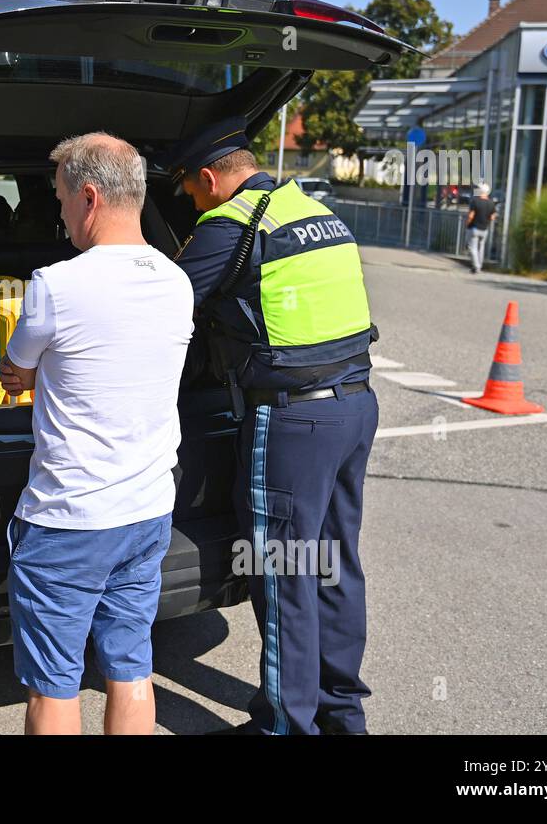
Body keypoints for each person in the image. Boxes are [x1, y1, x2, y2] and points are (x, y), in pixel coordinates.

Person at [168, 117, 378, 735]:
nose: (188, 200)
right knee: (333, 562)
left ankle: (286, 725)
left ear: (210, 178)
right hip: (355, 405)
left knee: (284, 570)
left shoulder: (230, 224)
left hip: (293, 420)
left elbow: (159, 308)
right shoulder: (310, 210)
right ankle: (342, 714)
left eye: (188, 189)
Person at [0, 132, 193, 735]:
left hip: (70, 519)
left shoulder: (56, 284)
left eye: (58, 200)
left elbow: (13, 371)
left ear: (89, 197)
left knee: (52, 686)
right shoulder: (177, 281)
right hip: (148, 511)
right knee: (131, 668)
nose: (57, 214)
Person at [466, 181, 498, 273]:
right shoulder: (491, 203)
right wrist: (487, 220)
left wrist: (467, 223)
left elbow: (471, 215)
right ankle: (479, 265)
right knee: (481, 248)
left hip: (474, 228)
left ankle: (476, 266)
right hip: (484, 229)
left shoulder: (475, 201)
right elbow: (493, 216)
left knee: (473, 248)